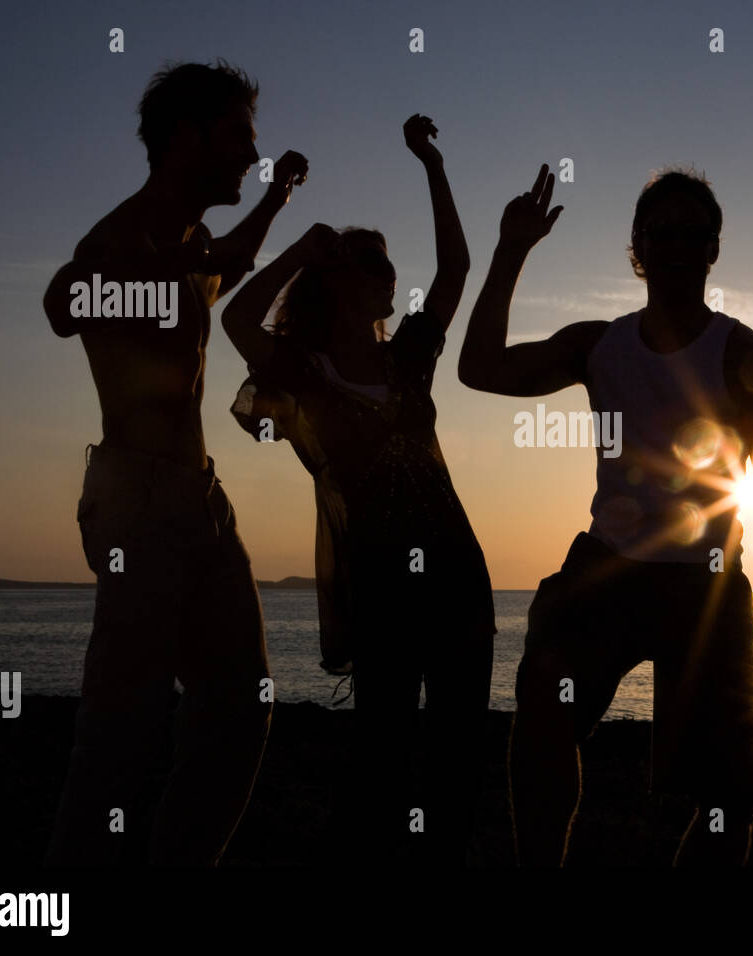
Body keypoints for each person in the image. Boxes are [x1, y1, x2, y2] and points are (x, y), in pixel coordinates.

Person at [460, 165, 753, 866]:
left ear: (713, 250)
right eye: (663, 234)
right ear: (637, 248)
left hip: (705, 583)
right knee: (544, 709)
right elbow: (481, 368)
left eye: (694, 235)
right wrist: (510, 251)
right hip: (607, 572)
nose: (678, 247)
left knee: (728, 801)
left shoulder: (748, 355)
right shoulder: (599, 344)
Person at [41, 61, 307, 865]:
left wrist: (281, 199)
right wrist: (180, 266)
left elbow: (230, 261)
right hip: (136, 498)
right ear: (185, 138)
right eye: (238, 139)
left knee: (240, 708)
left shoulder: (192, 244)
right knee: (121, 735)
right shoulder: (122, 238)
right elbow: (62, 303)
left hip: (199, 500)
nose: (248, 156)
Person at [223, 115, 494, 866]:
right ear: (335, 278)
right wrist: (296, 249)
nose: (387, 273)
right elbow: (235, 315)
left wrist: (432, 165)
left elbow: (456, 271)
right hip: (380, 586)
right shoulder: (303, 373)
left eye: (386, 262)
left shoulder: (409, 357)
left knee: (457, 760)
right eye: (370, 262)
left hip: (457, 576)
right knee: (381, 760)